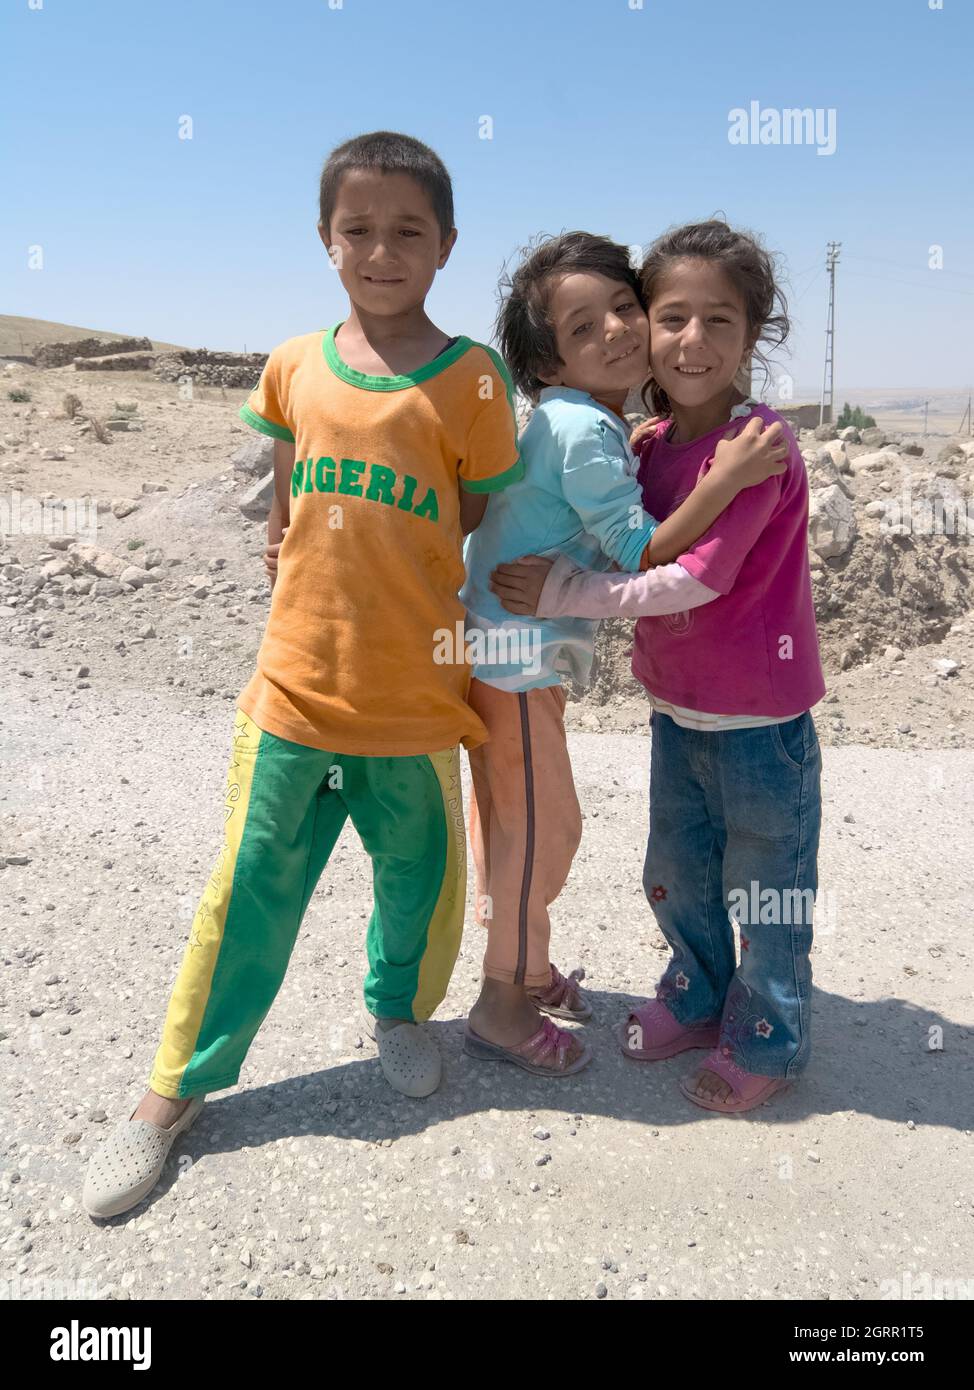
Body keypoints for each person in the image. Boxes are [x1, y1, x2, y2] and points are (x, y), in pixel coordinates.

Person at [83, 130, 523, 1219]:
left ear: (446, 245)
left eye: (407, 231)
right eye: (358, 230)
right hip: (292, 696)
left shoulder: (472, 378)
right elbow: (283, 508)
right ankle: (170, 1093)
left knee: (417, 887)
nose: (382, 250)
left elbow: (468, 516)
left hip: (415, 701)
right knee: (245, 894)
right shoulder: (291, 364)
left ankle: (396, 1013)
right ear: (326, 242)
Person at [490, 219, 825, 1111]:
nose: (690, 340)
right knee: (675, 872)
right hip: (678, 709)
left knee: (769, 890)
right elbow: (610, 539)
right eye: (671, 315)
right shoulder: (644, 446)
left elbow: (692, 582)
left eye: (721, 321)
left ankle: (771, 1036)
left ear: (753, 336)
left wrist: (560, 594)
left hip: (761, 717)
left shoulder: (758, 450)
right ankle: (701, 991)